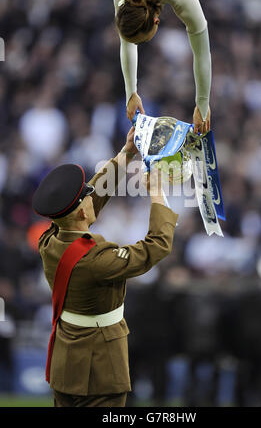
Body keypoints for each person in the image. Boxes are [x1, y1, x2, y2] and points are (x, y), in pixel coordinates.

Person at [32, 127, 178, 407]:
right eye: (86, 196)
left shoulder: (49, 240)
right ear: (85, 213)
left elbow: (88, 204)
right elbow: (157, 246)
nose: (91, 195)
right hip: (98, 368)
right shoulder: (96, 259)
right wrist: (158, 194)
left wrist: (126, 154)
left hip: (66, 361)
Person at [114, 0, 212, 135]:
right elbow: (126, 42)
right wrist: (131, 93)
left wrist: (203, 105)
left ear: (156, 21)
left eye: (142, 41)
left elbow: (202, 54)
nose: (137, 44)